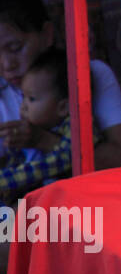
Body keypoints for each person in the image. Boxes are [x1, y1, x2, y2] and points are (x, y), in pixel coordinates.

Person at [0, 0, 121, 170]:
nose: (7, 65)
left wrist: (43, 140)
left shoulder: (88, 74)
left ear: (47, 35)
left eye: (15, 48)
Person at [0, 47, 74, 205]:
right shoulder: (32, 130)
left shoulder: (73, 128)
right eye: (23, 98)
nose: (23, 106)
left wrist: (5, 180)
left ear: (63, 107)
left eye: (31, 99)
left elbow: (55, 163)